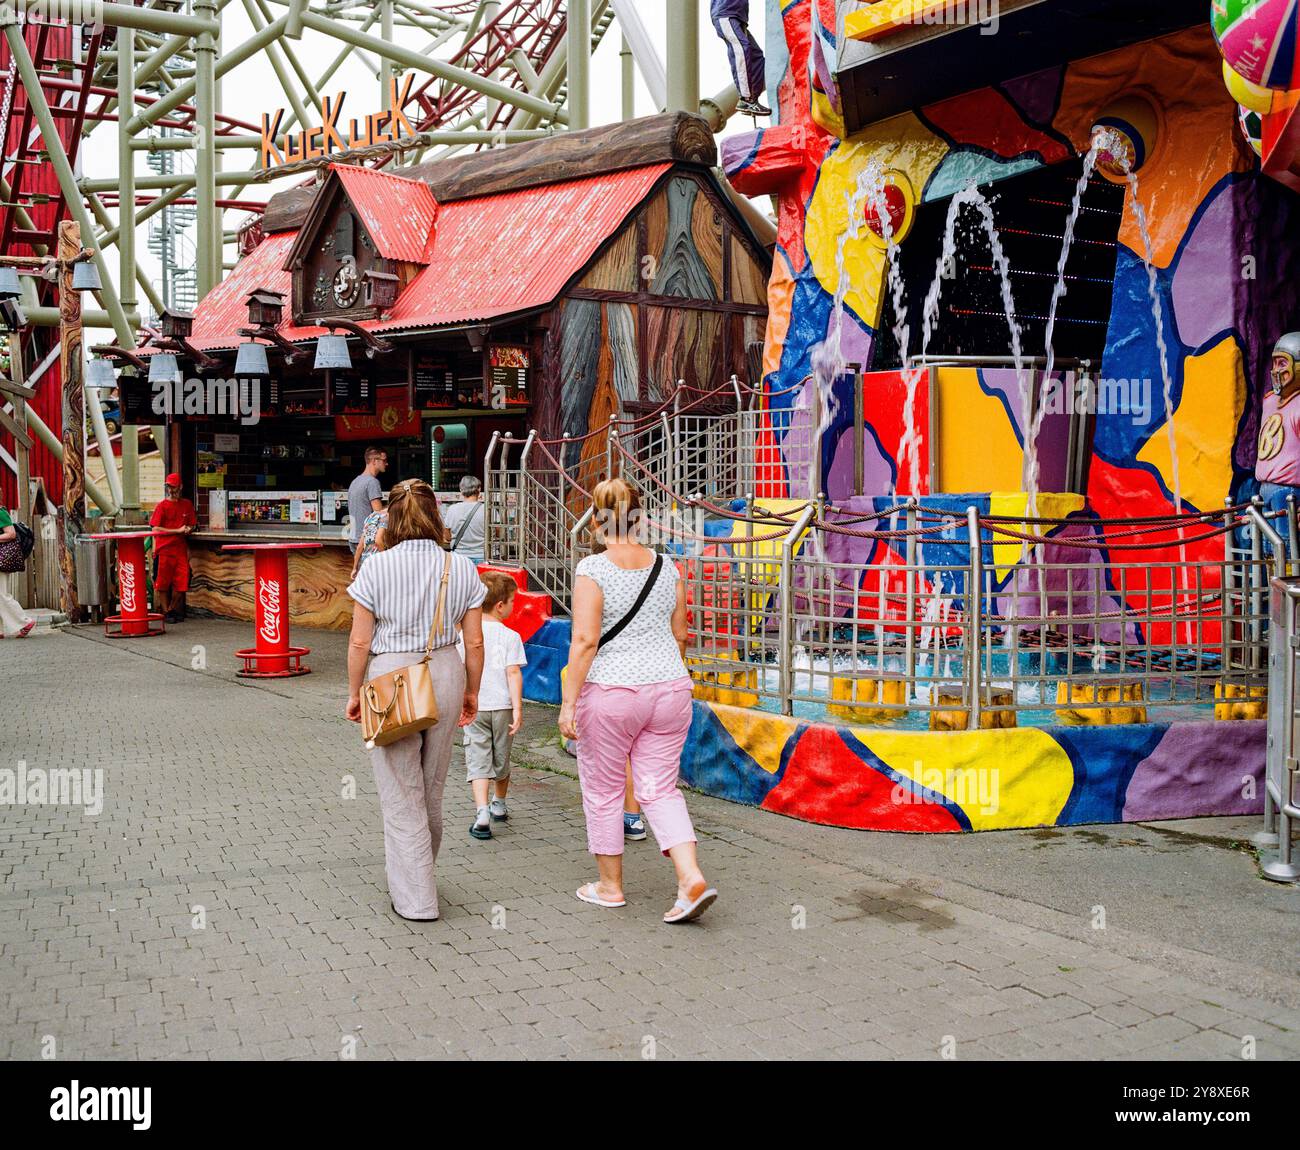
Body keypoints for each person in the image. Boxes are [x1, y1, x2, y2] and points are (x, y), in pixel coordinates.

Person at [559, 477, 717, 924]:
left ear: (596, 515)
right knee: (659, 788)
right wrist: (666, 671)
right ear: (640, 515)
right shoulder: (667, 567)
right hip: (669, 690)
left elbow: (586, 640)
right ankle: (689, 878)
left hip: (612, 694)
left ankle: (610, 887)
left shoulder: (593, 570)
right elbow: (682, 633)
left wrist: (569, 704)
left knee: (605, 791)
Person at [346, 479, 486, 922]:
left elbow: (358, 641)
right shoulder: (461, 568)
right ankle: (419, 875)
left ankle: (417, 898)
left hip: (390, 676)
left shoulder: (375, 568)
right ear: (435, 517)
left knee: (399, 790)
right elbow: (476, 642)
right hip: (445, 670)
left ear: (392, 520)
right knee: (432, 787)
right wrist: (472, 690)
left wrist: (353, 693)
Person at [461, 571, 526, 841]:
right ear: (500, 606)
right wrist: (518, 707)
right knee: (502, 757)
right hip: (502, 707)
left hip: (475, 706)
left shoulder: (466, 633)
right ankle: (499, 801)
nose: (514, 605)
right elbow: (513, 673)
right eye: (512, 601)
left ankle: (482, 812)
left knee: (478, 758)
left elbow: (460, 668)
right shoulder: (511, 636)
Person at [149, 472, 196, 624]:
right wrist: (177, 531)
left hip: (180, 549)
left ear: (180, 487)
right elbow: (155, 529)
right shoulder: (161, 506)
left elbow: (192, 524)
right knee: (162, 582)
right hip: (164, 549)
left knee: (182, 583)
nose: (171, 490)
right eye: (169, 487)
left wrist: (189, 528)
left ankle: (170, 609)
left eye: (173, 487)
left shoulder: (186, 505)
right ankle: (168, 611)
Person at [712, 0, 769, 117]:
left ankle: (753, 98)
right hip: (726, 14)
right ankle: (746, 99)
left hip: (738, 17)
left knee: (756, 55)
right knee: (742, 48)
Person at [0, 504, 35, 639]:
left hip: (1, 558)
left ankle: (24, 622)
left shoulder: (0, 512)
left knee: (1, 594)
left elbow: (11, 533)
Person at [347, 447, 388, 549]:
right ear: (374, 461)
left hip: (354, 539)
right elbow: (378, 514)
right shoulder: (372, 482)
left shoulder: (355, 481)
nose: (387, 464)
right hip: (367, 541)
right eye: (384, 460)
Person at [443, 475, 485, 566]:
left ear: (461, 490)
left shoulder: (452, 509)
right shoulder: (488, 510)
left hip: (459, 558)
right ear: (479, 489)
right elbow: (498, 534)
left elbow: (447, 537)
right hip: (484, 557)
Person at [349, 508, 388, 580]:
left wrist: (355, 568)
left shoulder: (371, 516)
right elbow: (378, 540)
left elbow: (360, 546)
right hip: (378, 564)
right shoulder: (387, 517)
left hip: (365, 563)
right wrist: (387, 559)